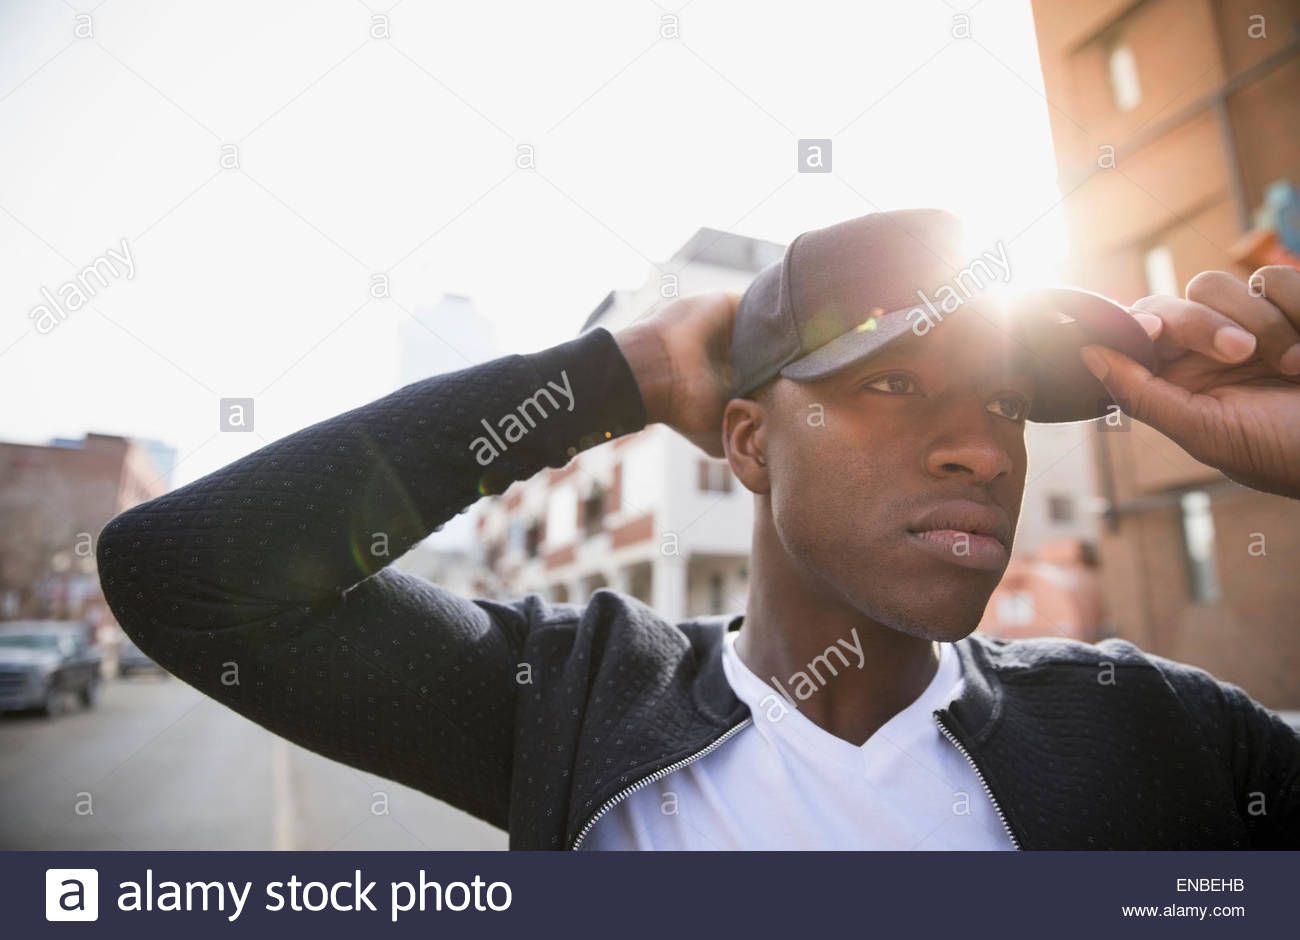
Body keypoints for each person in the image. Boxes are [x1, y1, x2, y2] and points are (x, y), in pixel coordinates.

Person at [96, 208, 1300, 849]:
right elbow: (188, 574)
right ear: (747, 444)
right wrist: (620, 372)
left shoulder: (1161, 733)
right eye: (891, 383)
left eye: (1001, 400)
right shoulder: (570, 704)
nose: (981, 447)